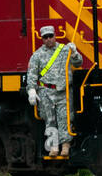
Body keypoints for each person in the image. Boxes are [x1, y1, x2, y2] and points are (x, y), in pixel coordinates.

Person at [26, 25, 83, 157]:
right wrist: (32, 90)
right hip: (46, 92)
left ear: (55, 36)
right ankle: (53, 147)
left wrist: (74, 53)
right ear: (42, 39)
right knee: (49, 120)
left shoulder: (65, 50)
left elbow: (78, 63)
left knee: (65, 118)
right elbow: (32, 74)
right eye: (45, 37)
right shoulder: (37, 55)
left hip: (63, 92)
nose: (48, 39)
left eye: (50, 36)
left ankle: (65, 146)